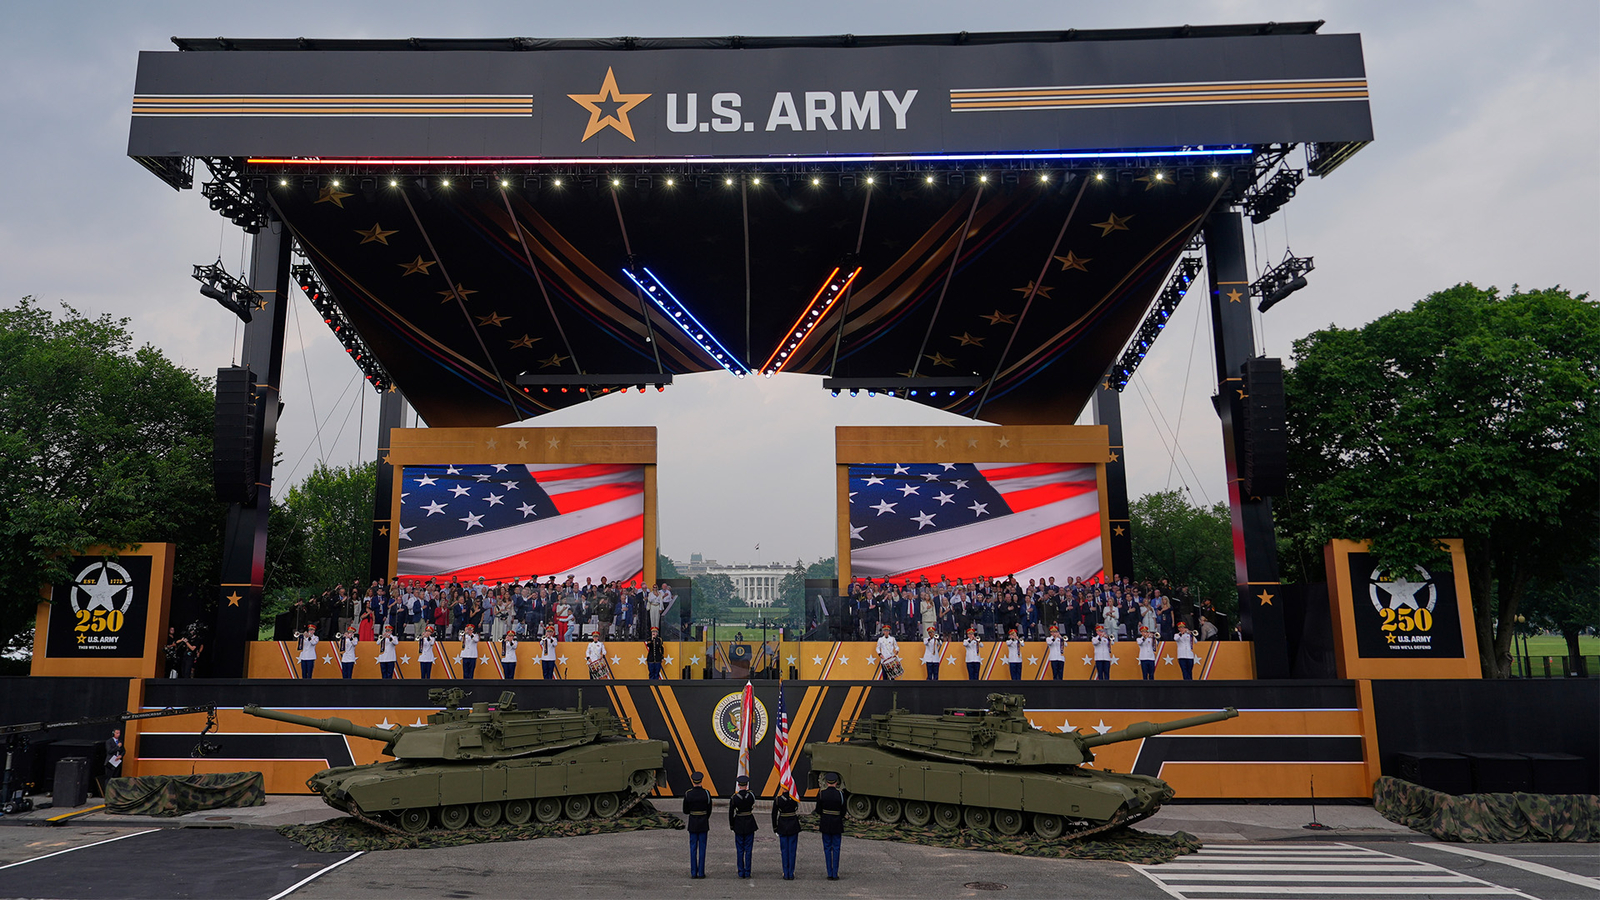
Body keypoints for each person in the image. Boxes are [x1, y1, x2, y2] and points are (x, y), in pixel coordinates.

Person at [816, 771, 845, 880]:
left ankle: (829, 872)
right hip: (837, 822)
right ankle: (835, 873)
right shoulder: (841, 794)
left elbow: (818, 810)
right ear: (836, 782)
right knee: (836, 848)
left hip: (825, 822)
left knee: (827, 848)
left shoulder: (821, 794)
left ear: (827, 782)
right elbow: (843, 811)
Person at [682, 771, 712, 878]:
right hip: (703, 822)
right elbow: (709, 809)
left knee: (693, 848)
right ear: (701, 780)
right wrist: (704, 817)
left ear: (692, 781)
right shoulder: (706, 793)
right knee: (702, 848)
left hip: (693, 822)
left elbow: (685, 810)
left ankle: (693, 872)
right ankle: (701, 872)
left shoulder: (688, 794)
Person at [729, 774, 758, 878]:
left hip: (739, 823)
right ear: (746, 785)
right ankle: (748, 871)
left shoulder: (734, 798)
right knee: (749, 849)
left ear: (738, 785)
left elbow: (731, 813)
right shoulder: (751, 796)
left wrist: (732, 825)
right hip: (749, 822)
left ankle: (741, 871)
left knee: (740, 849)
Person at [772, 786, 800, 880]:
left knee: (784, 850)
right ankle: (791, 873)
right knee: (792, 850)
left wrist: (775, 827)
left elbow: (774, 814)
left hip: (782, 825)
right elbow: (796, 807)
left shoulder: (778, 800)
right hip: (793, 825)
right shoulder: (794, 798)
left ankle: (785, 872)